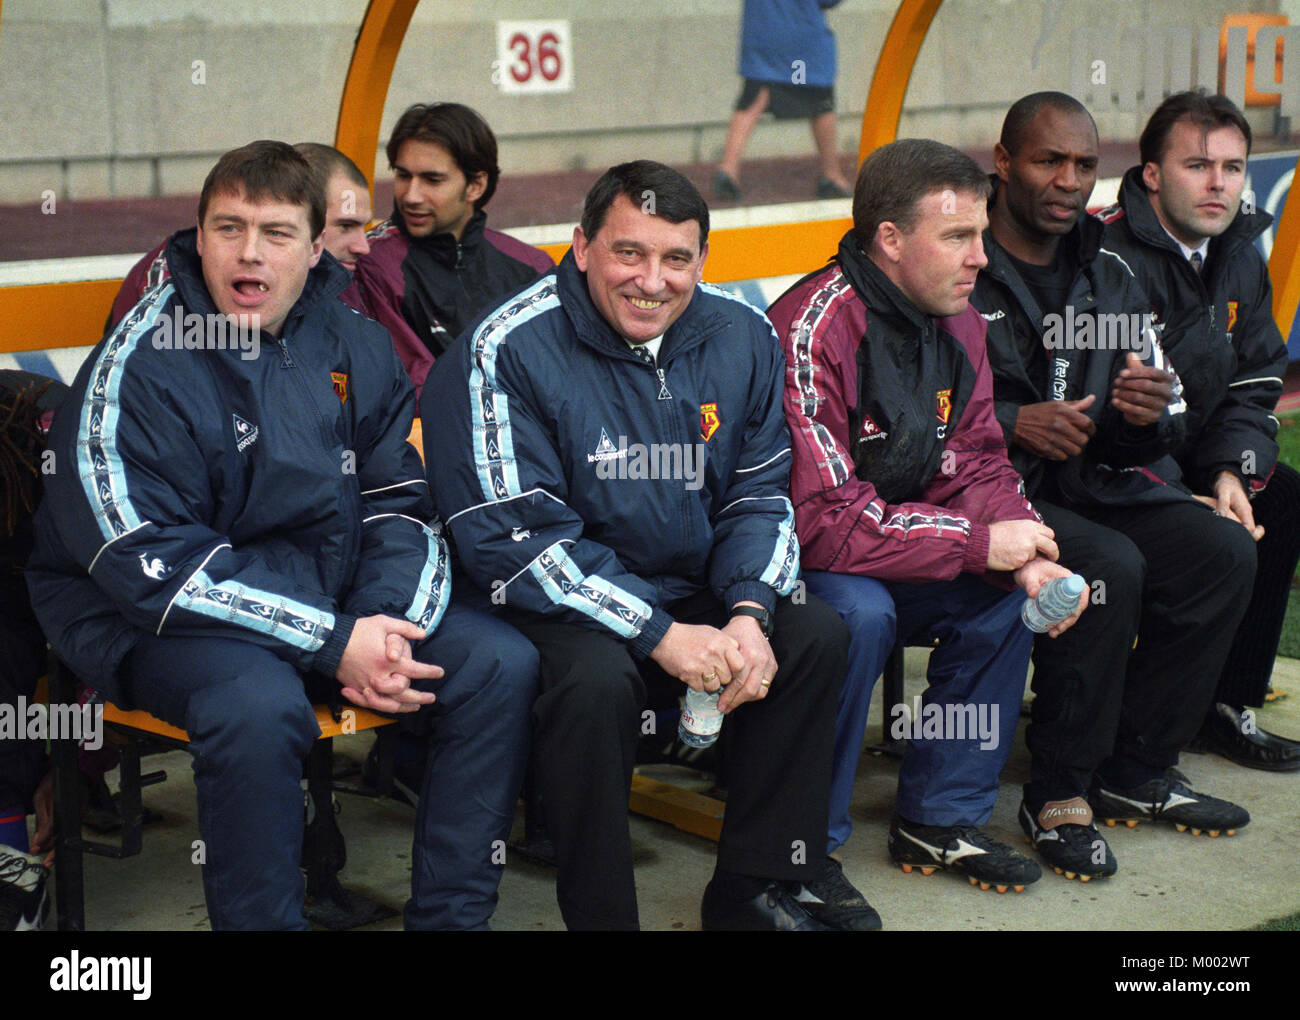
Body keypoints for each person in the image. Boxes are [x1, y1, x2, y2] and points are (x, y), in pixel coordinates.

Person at [25, 141, 537, 930]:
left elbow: (401, 502)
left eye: (275, 233)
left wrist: (381, 625)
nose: (249, 253)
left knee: (498, 661)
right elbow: (150, 567)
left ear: (314, 245)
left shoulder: (354, 343)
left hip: (332, 601)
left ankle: (451, 921)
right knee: (258, 707)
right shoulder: (138, 363)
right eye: (228, 229)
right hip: (154, 616)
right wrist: (334, 641)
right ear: (198, 238)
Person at [423, 160, 865, 931]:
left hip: (690, 585)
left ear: (702, 260)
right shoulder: (505, 349)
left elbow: (760, 493)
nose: (652, 281)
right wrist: (658, 635)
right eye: (629, 253)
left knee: (815, 635)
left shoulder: (741, 333)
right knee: (596, 686)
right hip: (548, 600)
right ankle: (603, 917)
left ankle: (752, 893)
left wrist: (750, 612)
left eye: (676, 259)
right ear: (583, 247)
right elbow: (517, 544)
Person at [768, 139, 1083, 904]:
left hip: (890, 542)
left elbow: (975, 459)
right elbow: (820, 520)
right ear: (889, 240)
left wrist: (1024, 549)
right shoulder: (810, 329)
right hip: (790, 565)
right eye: (958, 237)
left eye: (980, 235)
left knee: (1010, 597)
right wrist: (978, 542)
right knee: (860, 615)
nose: (981, 257)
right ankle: (802, 852)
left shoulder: (959, 319)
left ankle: (937, 818)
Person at [971, 92, 1255, 879]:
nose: (1068, 180)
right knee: (1106, 565)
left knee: (1219, 551)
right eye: (1047, 160)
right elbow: (910, 402)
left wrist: (1141, 417)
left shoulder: (1109, 269)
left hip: (1089, 480)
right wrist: (1011, 419)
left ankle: (1136, 769)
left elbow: (1161, 417)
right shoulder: (962, 258)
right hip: (987, 491)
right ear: (1002, 162)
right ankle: (1058, 790)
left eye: (1084, 164)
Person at [1097, 90, 1300, 771]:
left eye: (1234, 167)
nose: (1219, 183)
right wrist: (1177, 489)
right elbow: (1096, 415)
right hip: (1113, 468)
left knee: (1282, 497)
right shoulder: (1104, 257)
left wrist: (1230, 470)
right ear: (1151, 174)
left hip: (1196, 457)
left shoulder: (1239, 250)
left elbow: (1255, 376)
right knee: (1211, 540)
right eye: (1198, 165)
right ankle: (1136, 725)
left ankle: (1224, 703)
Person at [351, 102, 554, 395]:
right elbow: (403, 385)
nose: (411, 195)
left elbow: (558, 370)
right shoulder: (369, 264)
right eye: (403, 175)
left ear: (476, 185)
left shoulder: (532, 264)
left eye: (432, 180)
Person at [108, 143, 375, 329]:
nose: (363, 246)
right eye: (345, 226)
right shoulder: (170, 289)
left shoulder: (333, 281)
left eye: (275, 233)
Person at [714, 0, 853, 202]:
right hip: (801, 33)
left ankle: (728, 168)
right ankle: (832, 174)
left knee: (754, 97)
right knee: (821, 100)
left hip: (761, 32)